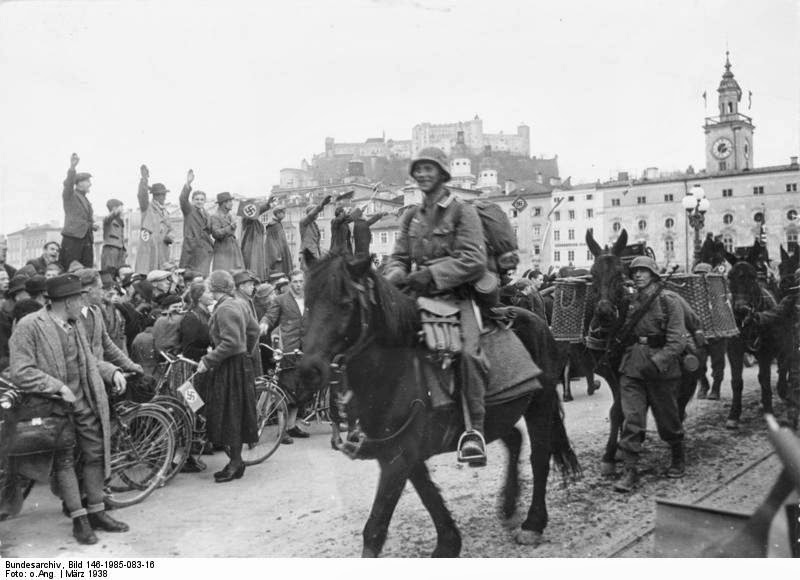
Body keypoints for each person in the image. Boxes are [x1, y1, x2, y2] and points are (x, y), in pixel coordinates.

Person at [384, 147, 490, 466]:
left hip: (457, 297)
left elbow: (474, 260)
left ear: (443, 174)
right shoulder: (410, 216)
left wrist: (430, 274)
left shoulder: (462, 211)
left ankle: (474, 432)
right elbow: (398, 257)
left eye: (429, 169)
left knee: (468, 355)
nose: (422, 174)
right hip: (418, 298)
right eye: (418, 169)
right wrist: (395, 278)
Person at [10, 274, 130, 544]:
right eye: (79, 298)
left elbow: (90, 360)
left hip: (84, 403)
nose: (83, 302)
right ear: (67, 301)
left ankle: (97, 511)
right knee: (64, 462)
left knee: (95, 454)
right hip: (53, 407)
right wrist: (56, 386)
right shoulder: (30, 326)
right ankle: (79, 519)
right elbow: (20, 371)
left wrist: (112, 372)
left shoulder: (74, 324)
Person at [613, 256, 688, 493]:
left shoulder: (669, 300)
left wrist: (657, 362)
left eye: (643, 271)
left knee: (668, 419)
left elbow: (677, 341)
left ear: (653, 274)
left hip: (661, 370)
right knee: (632, 419)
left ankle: (677, 455)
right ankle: (630, 470)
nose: (638, 275)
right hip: (632, 366)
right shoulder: (630, 301)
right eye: (634, 272)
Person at [197, 270, 259, 483]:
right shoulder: (240, 304)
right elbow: (254, 331)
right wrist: (247, 352)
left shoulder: (225, 308)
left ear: (215, 288)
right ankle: (236, 461)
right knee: (237, 413)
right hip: (240, 364)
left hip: (230, 366)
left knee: (229, 415)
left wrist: (208, 360)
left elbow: (231, 343)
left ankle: (235, 463)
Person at [264, 269, 310, 443]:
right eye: (295, 282)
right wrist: (264, 324)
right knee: (285, 390)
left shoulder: (309, 300)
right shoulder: (280, 300)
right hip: (288, 350)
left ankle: (292, 426)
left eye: (300, 281)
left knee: (300, 390)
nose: (298, 285)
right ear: (290, 283)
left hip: (305, 349)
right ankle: (282, 430)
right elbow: (270, 316)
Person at [754, 266, 800, 430]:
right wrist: (757, 316)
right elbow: (775, 313)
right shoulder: (790, 300)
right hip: (796, 346)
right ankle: (793, 416)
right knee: (795, 379)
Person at [692, 262, 728, 401]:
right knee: (698, 363)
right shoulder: (692, 295)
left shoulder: (719, 292)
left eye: (703, 275)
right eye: (697, 275)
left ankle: (716, 388)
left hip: (717, 334)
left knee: (718, 363)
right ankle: (704, 384)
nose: (700, 278)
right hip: (699, 334)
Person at [59, 153, 96, 270]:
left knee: (87, 270)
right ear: (79, 183)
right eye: (87, 181)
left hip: (86, 240)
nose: (90, 184)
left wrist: (92, 226)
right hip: (73, 240)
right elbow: (68, 184)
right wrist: (72, 168)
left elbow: (83, 219)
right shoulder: (70, 195)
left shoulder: (85, 199)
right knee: (71, 270)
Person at [134, 165, 174, 273]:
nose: (163, 197)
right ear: (154, 196)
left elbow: (171, 229)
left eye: (164, 194)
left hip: (163, 251)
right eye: (160, 195)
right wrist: (144, 180)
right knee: (148, 274)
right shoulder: (147, 208)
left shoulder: (165, 212)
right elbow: (142, 195)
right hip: (150, 249)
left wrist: (170, 236)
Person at [178, 169, 214, 276]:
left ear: (205, 201)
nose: (199, 201)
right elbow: (183, 199)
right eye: (197, 199)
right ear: (193, 200)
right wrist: (188, 183)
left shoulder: (207, 215)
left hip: (205, 251)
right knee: (188, 277)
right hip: (191, 250)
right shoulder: (189, 210)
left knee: (203, 277)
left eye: (202, 199)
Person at [233, 270, 263, 372]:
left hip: (251, 352)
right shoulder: (238, 302)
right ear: (241, 286)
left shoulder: (247, 299)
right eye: (250, 284)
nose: (253, 287)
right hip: (245, 353)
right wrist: (248, 352)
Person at [210, 192, 244, 272]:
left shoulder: (229, 215)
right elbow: (216, 233)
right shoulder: (215, 216)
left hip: (232, 247)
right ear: (224, 203)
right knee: (224, 272)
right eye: (230, 202)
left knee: (236, 272)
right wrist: (230, 227)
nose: (232, 204)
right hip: (223, 248)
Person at [180, 281, 213, 362]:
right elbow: (187, 350)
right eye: (209, 292)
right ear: (199, 297)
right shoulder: (192, 317)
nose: (212, 295)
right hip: (196, 364)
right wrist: (207, 351)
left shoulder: (208, 314)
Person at [299, 195, 332, 269]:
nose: (317, 214)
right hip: (308, 255)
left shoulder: (314, 224)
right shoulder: (304, 222)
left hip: (315, 254)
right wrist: (321, 205)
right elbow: (311, 215)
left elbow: (315, 242)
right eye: (316, 213)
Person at [265, 206, 294, 277]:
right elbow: (270, 241)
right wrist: (276, 254)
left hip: (283, 251)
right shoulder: (273, 225)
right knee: (278, 273)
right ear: (277, 213)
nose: (284, 215)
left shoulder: (278, 224)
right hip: (278, 254)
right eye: (283, 213)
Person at [101, 199, 127, 271]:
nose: (123, 210)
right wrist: (115, 212)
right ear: (114, 208)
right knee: (109, 272)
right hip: (110, 250)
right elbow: (109, 217)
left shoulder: (120, 221)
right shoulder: (108, 220)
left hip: (120, 251)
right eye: (121, 208)